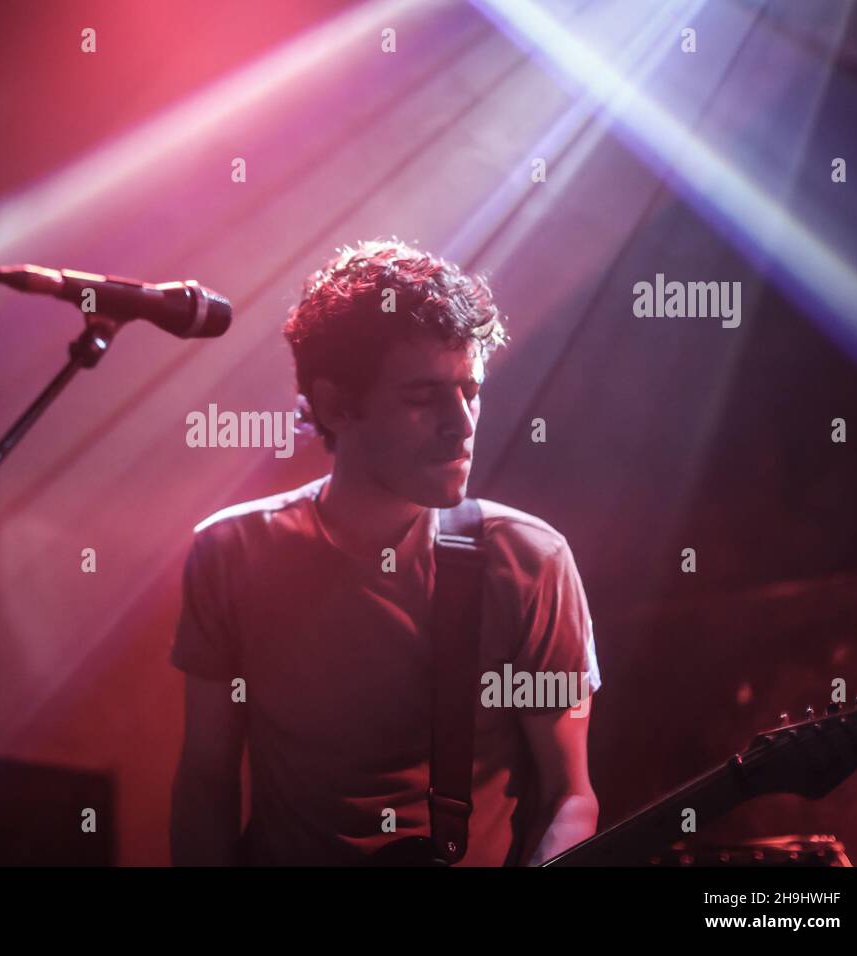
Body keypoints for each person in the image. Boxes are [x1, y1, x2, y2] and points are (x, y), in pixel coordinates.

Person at [169, 238, 601, 866]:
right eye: (424, 398)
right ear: (337, 404)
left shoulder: (529, 562)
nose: (462, 425)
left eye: (471, 390)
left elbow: (569, 798)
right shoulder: (230, 553)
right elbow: (206, 784)